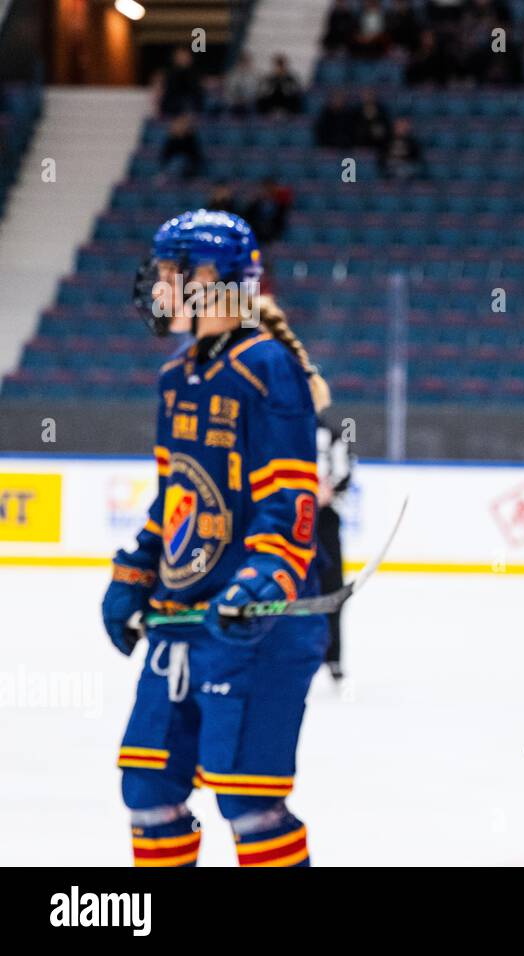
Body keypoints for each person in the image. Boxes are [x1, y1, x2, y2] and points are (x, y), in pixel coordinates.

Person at [105, 210, 332, 866]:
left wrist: (262, 580)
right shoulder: (174, 378)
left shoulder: (266, 368)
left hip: (258, 627)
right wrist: (134, 571)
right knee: (147, 790)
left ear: (210, 280)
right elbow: (175, 496)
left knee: (249, 805)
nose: (157, 285)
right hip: (181, 620)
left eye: (170, 272)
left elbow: (290, 502)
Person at [315, 413, 356, 683]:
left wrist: (329, 487)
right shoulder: (277, 427)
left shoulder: (331, 433)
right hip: (287, 519)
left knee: (332, 589)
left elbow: (344, 472)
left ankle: (333, 656)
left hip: (324, 520)